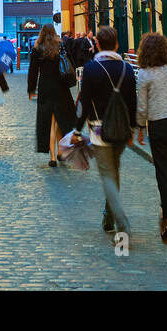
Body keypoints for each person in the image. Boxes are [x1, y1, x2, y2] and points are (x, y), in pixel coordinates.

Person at [73, 25, 136, 242]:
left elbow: (84, 100)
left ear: (97, 44)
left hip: (99, 129)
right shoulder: (127, 69)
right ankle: (108, 216)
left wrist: (76, 129)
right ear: (117, 44)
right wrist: (134, 129)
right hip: (120, 130)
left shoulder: (91, 69)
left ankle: (122, 222)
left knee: (108, 175)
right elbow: (132, 102)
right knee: (114, 172)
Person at [135, 32, 167, 247]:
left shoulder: (144, 74)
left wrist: (139, 127)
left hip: (159, 126)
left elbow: (142, 106)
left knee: (163, 173)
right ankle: (166, 211)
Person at [28, 24, 75, 167]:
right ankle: (60, 151)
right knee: (60, 121)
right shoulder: (60, 46)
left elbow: (33, 71)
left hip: (45, 88)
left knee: (49, 122)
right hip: (61, 87)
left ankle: (53, 157)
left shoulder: (37, 48)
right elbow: (70, 62)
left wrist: (31, 89)